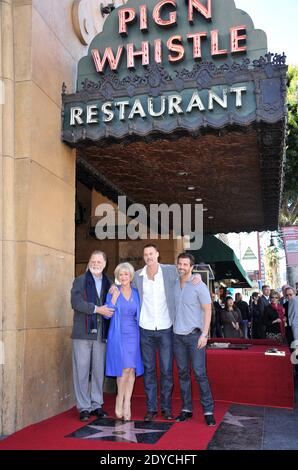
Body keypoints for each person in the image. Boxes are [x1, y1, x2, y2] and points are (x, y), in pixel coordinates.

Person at [132, 244, 201, 422]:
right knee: (149, 370)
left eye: (151, 254)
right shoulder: (137, 276)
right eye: (145, 254)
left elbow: (186, 272)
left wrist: (197, 276)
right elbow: (122, 282)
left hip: (166, 328)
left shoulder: (169, 271)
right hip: (145, 329)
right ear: (143, 257)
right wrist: (115, 287)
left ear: (158, 254)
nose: (149, 257)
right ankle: (151, 408)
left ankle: (166, 409)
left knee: (166, 370)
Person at [70, 251, 114, 421]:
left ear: (105, 263)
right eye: (93, 261)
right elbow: (76, 303)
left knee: (98, 370)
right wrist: (97, 309)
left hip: (101, 333)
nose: (96, 264)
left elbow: (116, 300)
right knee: (81, 370)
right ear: (89, 262)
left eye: (99, 261)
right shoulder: (80, 280)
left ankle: (96, 404)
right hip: (82, 333)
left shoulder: (109, 282)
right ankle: (83, 407)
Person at [173, 253, 215, 426]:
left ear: (191, 267)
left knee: (199, 374)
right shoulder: (174, 284)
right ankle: (186, 409)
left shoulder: (199, 285)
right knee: (183, 374)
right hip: (177, 337)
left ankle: (208, 410)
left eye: (185, 264)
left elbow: (208, 310)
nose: (182, 266)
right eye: (180, 263)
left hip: (195, 336)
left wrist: (204, 334)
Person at [105, 263, 143, 421]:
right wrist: (113, 298)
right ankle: (119, 399)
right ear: (117, 276)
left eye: (126, 274)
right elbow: (107, 314)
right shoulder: (113, 291)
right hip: (118, 333)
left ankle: (127, 402)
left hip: (134, 333)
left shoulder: (136, 292)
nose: (123, 277)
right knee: (123, 368)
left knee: (131, 369)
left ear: (131, 276)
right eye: (120, 274)